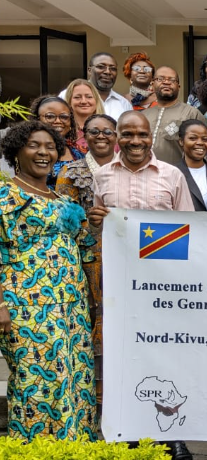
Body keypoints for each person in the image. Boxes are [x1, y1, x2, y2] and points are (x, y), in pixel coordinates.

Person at [88, 111, 193, 459]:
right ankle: (128, 431)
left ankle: (172, 435)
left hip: (164, 286)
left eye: (142, 135)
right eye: (128, 134)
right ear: (118, 136)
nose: (135, 141)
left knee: (164, 358)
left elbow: (190, 231)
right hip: (119, 288)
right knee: (124, 357)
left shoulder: (172, 175)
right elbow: (97, 230)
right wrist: (96, 220)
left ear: (151, 137)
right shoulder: (101, 177)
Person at [0, 120, 98, 442]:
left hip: (72, 308)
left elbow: (86, 249)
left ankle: (76, 448)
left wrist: (99, 221)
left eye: (50, 146)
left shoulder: (62, 199)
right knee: (38, 386)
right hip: (27, 308)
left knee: (75, 380)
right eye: (33, 145)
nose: (44, 152)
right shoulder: (5, 196)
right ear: (16, 151)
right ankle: (34, 449)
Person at [55, 114, 118, 420]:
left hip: (129, 261)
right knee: (94, 326)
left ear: (116, 135)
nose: (102, 136)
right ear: (84, 135)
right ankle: (96, 405)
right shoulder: (72, 171)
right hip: (88, 262)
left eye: (108, 131)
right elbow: (65, 219)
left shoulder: (129, 167)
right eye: (95, 131)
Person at [142, 66, 207, 165]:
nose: (166, 82)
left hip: (178, 175)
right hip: (145, 173)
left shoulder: (191, 113)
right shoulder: (143, 115)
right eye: (160, 79)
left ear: (179, 87)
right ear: (152, 84)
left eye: (172, 80)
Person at [31, 95, 84, 189]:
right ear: (37, 120)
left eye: (64, 117)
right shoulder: (28, 149)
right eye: (50, 116)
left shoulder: (78, 153)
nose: (58, 121)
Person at [60, 52, 132, 119]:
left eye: (113, 69)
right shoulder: (66, 95)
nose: (107, 72)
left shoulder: (124, 104)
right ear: (89, 70)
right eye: (101, 67)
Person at [64, 79, 105, 153]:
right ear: (69, 101)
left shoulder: (108, 130)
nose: (83, 101)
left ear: (96, 100)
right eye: (77, 97)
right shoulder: (63, 130)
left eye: (89, 97)